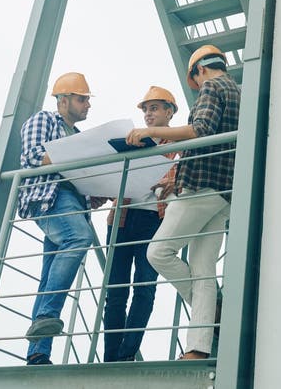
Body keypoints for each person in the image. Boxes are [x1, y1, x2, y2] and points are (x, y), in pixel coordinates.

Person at [126, 44, 239, 360]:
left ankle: (214, 312)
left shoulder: (212, 87)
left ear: (199, 70)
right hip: (225, 193)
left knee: (158, 252)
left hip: (201, 186)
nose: (197, 84)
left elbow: (200, 130)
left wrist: (150, 130)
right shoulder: (240, 92)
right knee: (203, 271)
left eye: (196, 79)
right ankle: (198, 348)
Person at [18, 72, 96, 366]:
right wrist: (76, 157)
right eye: (82, 99)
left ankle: (38, 353)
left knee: (49, 275)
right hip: (50, 197)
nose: (88, 104)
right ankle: (47, 315)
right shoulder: (44, 120)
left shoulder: (77, 135)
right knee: (79, 237)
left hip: (74, 200)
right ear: (63, 100)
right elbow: (33, 156)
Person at [103, 86, 178, 362]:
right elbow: (113, 179)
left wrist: (171, 180)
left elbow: (183, 177)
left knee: (144, 288)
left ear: (169, 112)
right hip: (121, 219)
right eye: (146, 109)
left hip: (153, 220)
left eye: (154, 108)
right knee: (115, 290)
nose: (148, 114)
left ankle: (126, 354)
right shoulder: (132, 142)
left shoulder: (180, 144)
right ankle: (110, 357)